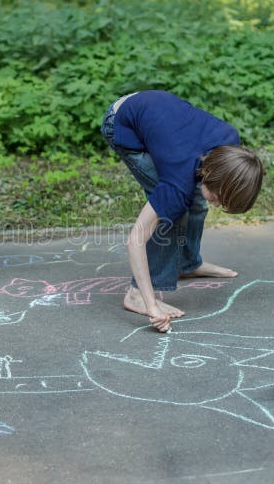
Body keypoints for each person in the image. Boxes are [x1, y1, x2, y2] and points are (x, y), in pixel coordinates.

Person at [101, 90, 264, 332]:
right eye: (219, 199)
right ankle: (136, 295)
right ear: (208, 173)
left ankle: (187, 264)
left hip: (157, 113)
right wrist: (151, 305)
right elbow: (135, 240)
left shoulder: (230, 147)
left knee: (196, 201)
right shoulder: (178, 181)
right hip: (122, 122)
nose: (217, 205)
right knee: (174, 213)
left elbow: (199, 178)